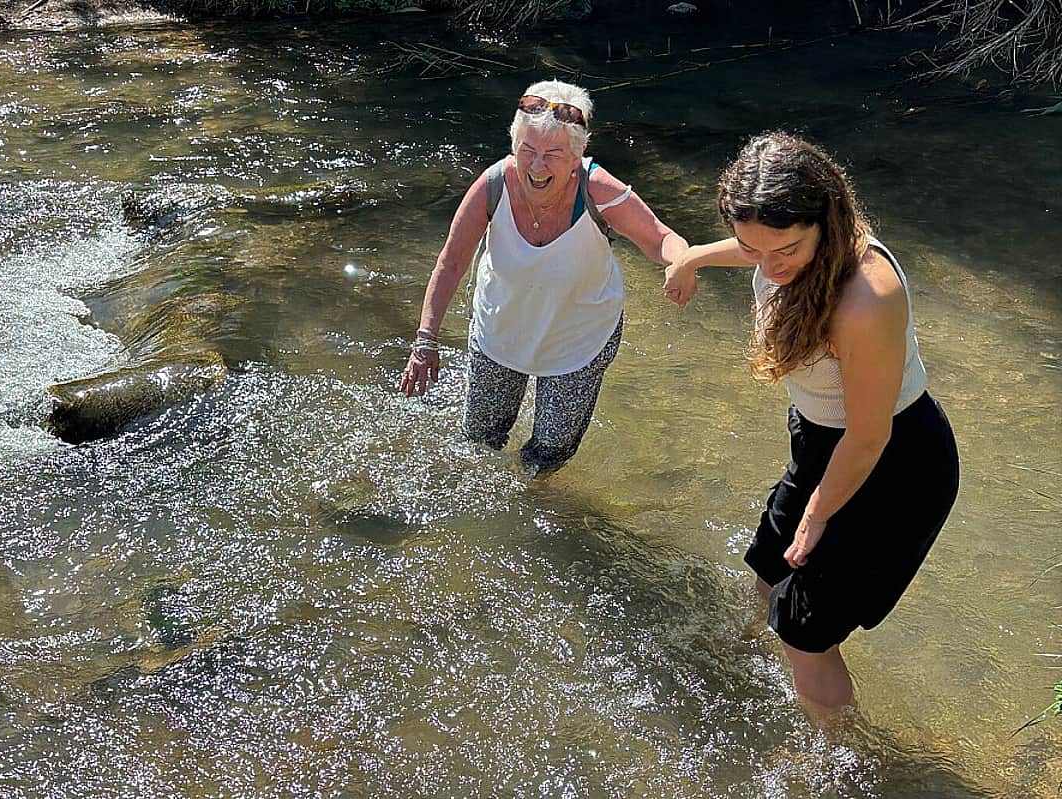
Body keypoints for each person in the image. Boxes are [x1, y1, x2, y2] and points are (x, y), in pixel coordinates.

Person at [663, 132, 959, 713]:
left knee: (805, 632)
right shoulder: (777, 245)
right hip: (822, 442)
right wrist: (693, 257)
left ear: (826, 222)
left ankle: (830, 760)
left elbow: (871, 435)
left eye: (787, 252)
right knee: (769, 568)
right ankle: (749, 669)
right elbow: (757, 246)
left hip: (893, 465)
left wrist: (817, 516)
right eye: (754, 249)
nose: (770, 268)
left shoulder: (866, 297)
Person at [399, 80, 688, 471]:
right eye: (527, 151)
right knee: (479, 442)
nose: (537, 166)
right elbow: (451, 263)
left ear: (578, 155)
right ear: (513, 146)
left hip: (580, 339)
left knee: (548, 454)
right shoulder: (493, 185)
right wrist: (425, 341)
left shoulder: (596, 187)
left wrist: (682, 264)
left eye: (553, 154)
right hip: (502, 329)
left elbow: (660, 238)